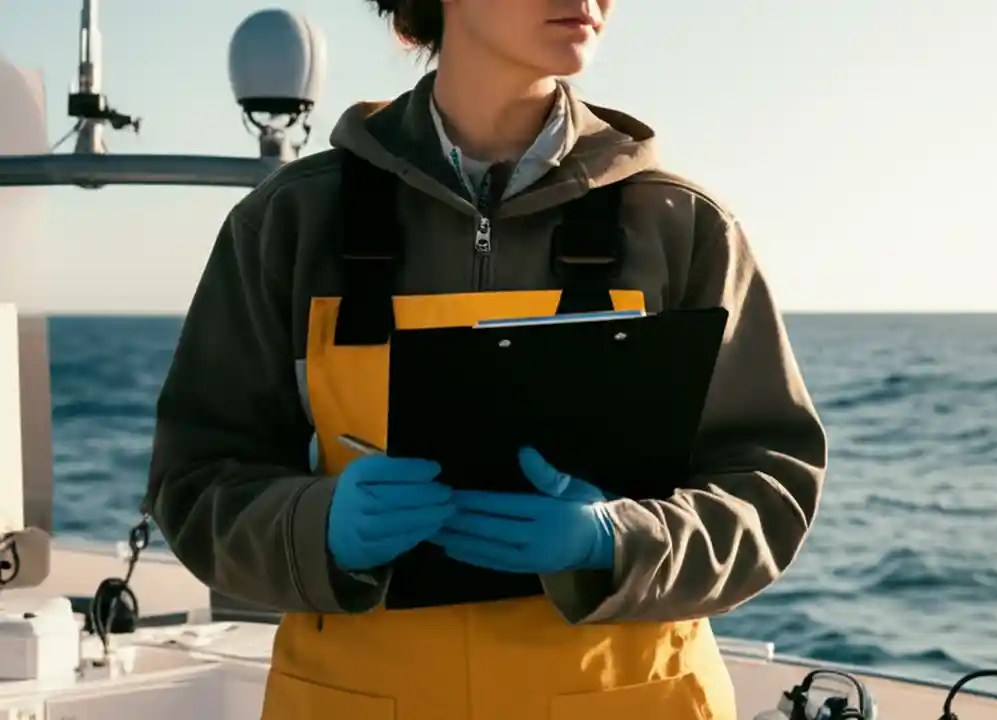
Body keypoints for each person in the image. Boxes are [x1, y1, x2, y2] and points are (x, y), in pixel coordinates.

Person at [145, 0, 827, 717]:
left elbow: (771, 486)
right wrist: (318, 525)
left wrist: (618, 540)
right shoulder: (289, 223)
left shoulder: (683, 227)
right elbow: (196, 484)